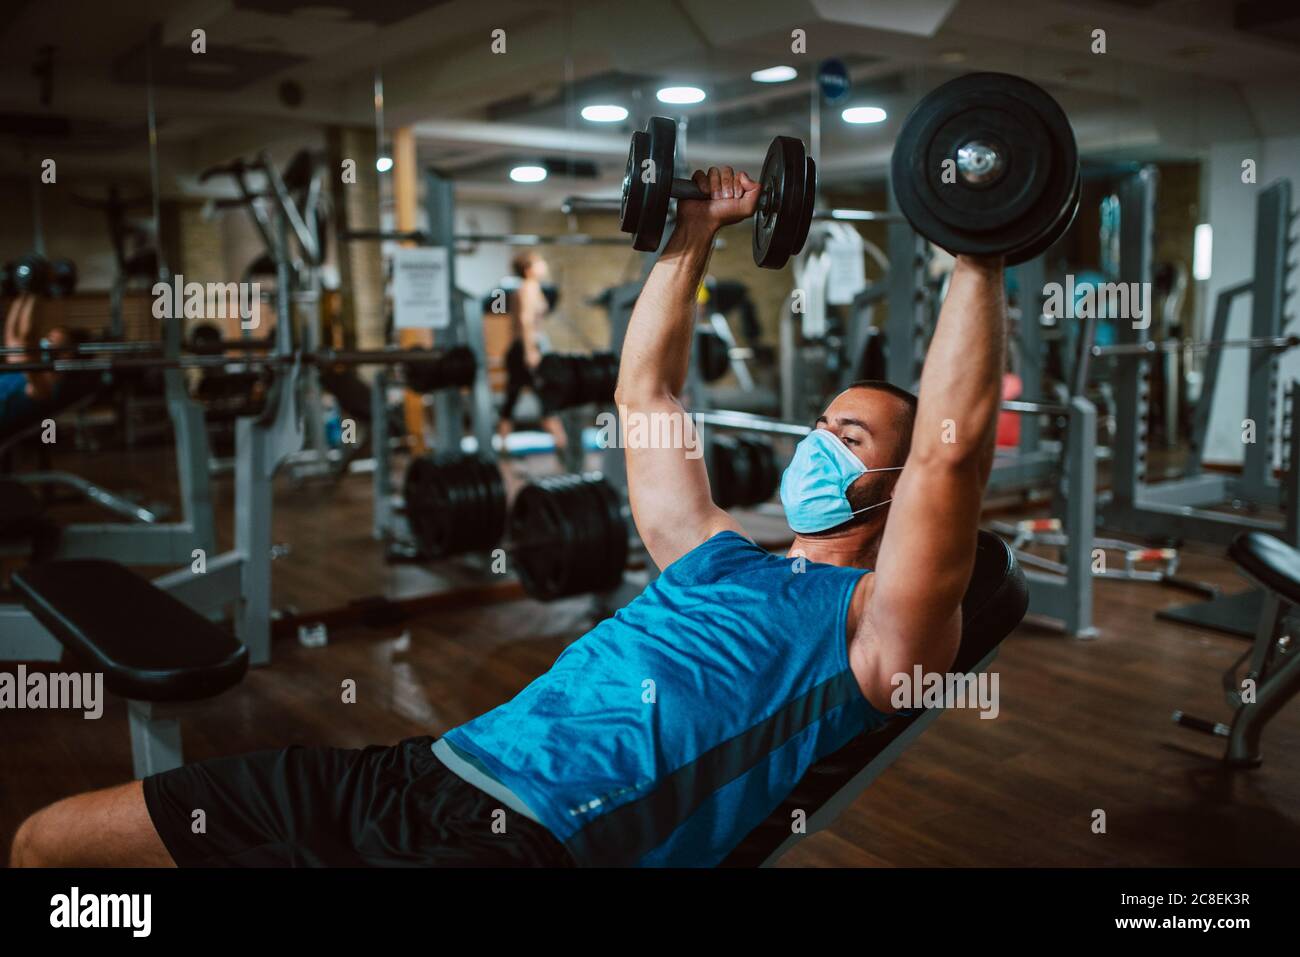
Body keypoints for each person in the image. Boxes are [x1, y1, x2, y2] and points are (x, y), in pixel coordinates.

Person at [8, 165, 1006, 868]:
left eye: (854, 438)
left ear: (895, 485)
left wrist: (976, 250)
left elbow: (952, 449)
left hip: (534, 845)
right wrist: (693, 235)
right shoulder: (713, 554)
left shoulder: (878, 630)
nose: (818, 444)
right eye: (821, 423)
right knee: (52, 846)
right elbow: (646, 403)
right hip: (412, 775)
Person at [496, 251, 567, 459]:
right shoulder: (528, 288)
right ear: (528, 269)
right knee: (541, 396)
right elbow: (526, 321)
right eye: (539, 262)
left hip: (527, 348)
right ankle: (561, 445)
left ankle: (503, 446)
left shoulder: (532, 288)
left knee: (520, 397)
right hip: (523, 350)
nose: (544, 265)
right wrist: (530, 352)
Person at [1, 294, 69, 429]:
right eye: (49, 337)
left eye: (53, 341)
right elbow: (11, 338)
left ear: (66, 354)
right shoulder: (24, 367)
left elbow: (27, 338)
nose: (47, 342)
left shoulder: (45, 387)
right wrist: (21, 293)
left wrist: (34, 294)